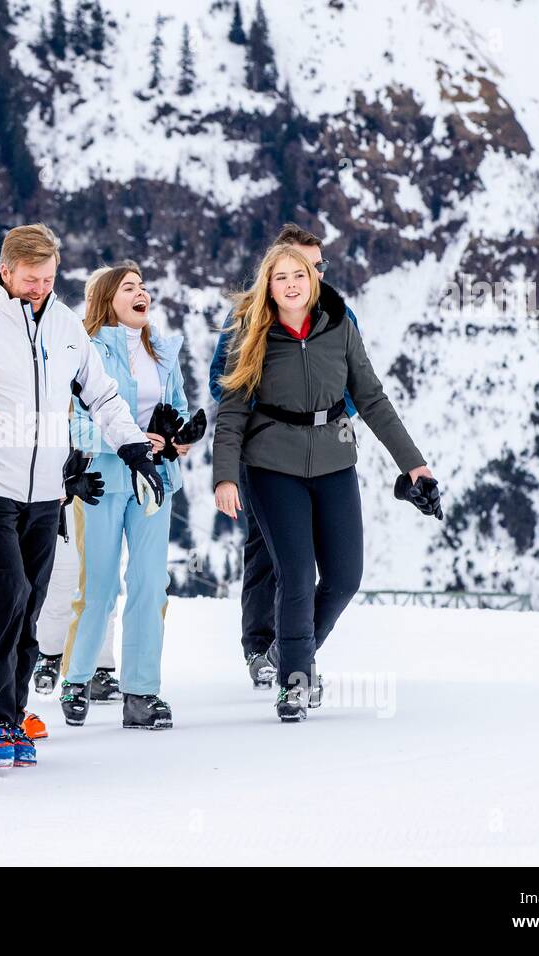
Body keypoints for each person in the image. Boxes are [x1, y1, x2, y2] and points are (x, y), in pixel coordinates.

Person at [0, 223, 164, 767]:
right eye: (31, 278)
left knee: (31, 601)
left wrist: (133, 448)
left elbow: (102, 394)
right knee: (4, 591)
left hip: (46, 493)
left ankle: (11, 717)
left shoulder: (65, 327)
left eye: (49, 278)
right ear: (6, 270)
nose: (40, 287)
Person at [212, 244, 436, 722]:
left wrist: (414, 465)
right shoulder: (251, 332)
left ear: (313, 280)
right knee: (295, 576)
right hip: (271, 466)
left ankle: (287, 652)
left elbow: (371, 398)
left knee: (344, 577)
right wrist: (226, 477)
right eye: (280, 278)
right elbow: (231, 410)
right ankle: (295, 680)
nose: (292, 284)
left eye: (300, 275)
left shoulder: (339, 325)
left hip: (334, 460)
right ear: (268, 286)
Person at [208, 222, 362, 690]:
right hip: (268, 458)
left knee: (331, 565)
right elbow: (226, 380)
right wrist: (270, 420)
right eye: (301, 266)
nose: (311, 275)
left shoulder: (339, 314)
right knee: (270, 557)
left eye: (318, 266)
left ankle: (294, 648)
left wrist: (327, 414)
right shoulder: (248, 318)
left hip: (325, 452)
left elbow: (354, 382)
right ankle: (261, 648)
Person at [60, 262, 202, 729]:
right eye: (129, 287)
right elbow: (75, 420)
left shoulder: (162, 350)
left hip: (153, 480)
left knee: (149, 584)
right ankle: (76, 679)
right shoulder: (86, 350)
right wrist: (127, 441)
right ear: (106, 298)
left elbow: (175, 406)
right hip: (102, 478)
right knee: (99, 585)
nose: (142, 293)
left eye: (144, 287)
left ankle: (141, 693)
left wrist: (176, 434)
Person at [31, 267, 119, 706]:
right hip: (65, 475)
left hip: (107, 474)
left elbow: (124, 407)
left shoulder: (140, 348)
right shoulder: (67, 344)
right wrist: (70, 464)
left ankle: (101, 662)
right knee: (63, 573)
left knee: (102, 574)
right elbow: (68, 413)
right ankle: (49, 651)